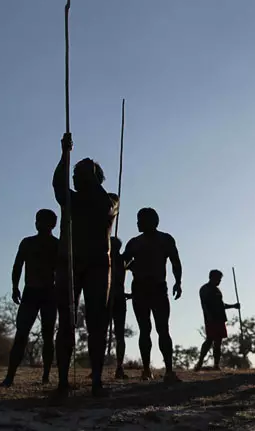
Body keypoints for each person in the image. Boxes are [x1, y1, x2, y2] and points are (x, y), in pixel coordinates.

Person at [53, 134, 119, 397]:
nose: (76, 179)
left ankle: (97, 380)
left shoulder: (109, 199)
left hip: (98, 266)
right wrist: (65, 155)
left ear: (96, 179)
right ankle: (61, 381)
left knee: (97, 322)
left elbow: (105, 209)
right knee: (66, 322)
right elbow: (58, 185)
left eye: (83, 175)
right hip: (70, 263)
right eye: (76, 175)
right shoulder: (70, 199)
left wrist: (92, 176)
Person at [0, 209, 59, 387]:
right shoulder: (27, 243)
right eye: (38, 221)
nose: (39, 224)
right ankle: (10, 377)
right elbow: (17, 265)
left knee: (48, 335)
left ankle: (46, 375)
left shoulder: (58, 244)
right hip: (30, 291)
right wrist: (15, 286)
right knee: (21, 334)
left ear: (52, 224)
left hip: (49, 292)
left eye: (43, 221)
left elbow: (64, 270)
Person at [123, 207, 182, 382]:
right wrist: (133, 266)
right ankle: (147, 369)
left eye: (140, 220)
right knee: (144, 329)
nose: (137, 223)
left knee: (163, 329)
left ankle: (169, 370)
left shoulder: (165, 240)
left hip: (158, 288)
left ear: (151, 222)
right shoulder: (134, 242)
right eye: (137, 219)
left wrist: (178, 282)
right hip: (140, 289)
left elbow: (175, 262)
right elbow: (124, 261)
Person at [194, 270, 240, 371]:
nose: (219, 281)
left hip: (220, 318)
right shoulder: (204, 289)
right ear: (212, 277)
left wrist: (233, 306)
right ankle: (200, 362)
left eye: (220, 279)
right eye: (218, 279)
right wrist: (208, 316)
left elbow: (221, 305)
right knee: (209, 340)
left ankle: (216, 365)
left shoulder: (217, 291)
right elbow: (204, 304)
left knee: (218, 341)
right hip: (211, 318)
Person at [108, 236, 132, 379]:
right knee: (104, 333)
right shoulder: (106, 259)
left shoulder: (123, 260)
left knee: (119, 334)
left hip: (118, 298)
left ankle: (119, 366)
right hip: (107, 298)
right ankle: (99, 367)